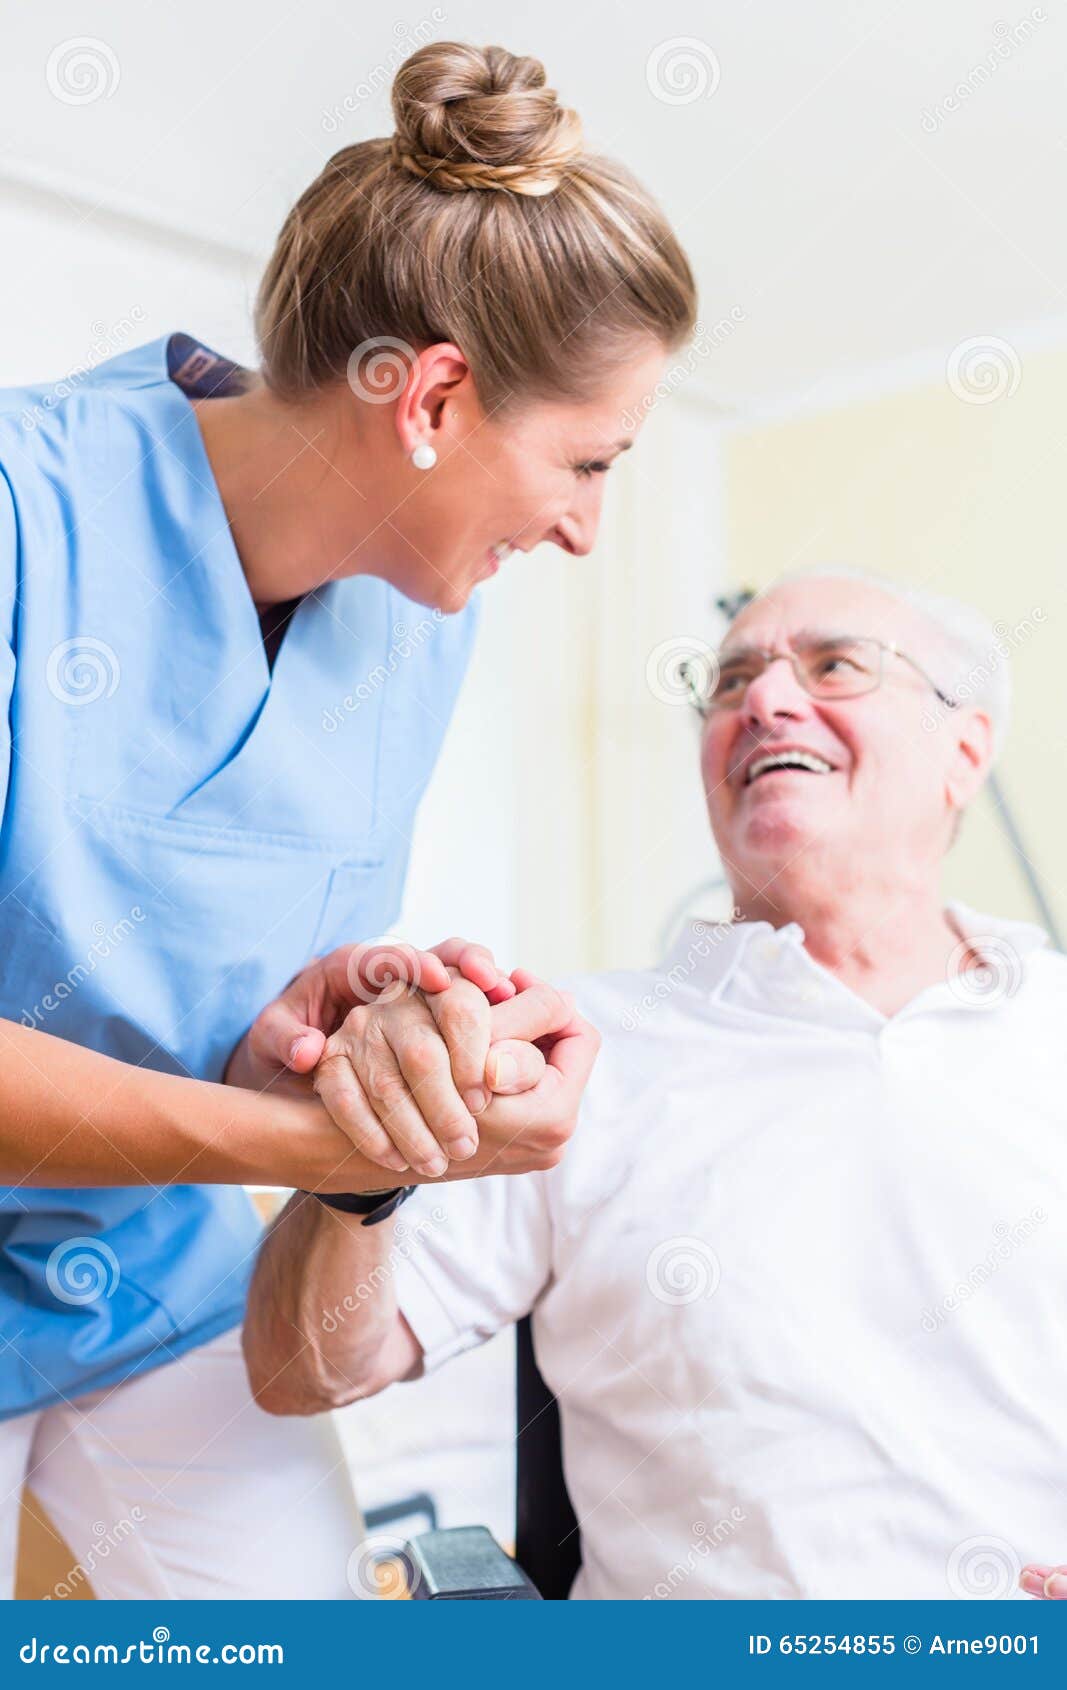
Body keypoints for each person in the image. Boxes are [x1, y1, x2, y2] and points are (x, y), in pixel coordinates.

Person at [0, 39, 695, 1598]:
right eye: (586, 463)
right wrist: (329, 1143)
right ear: (433, 396)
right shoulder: (22, 511)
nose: (585, 529)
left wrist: (354, 1030)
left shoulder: (415, 622)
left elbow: (212, 974)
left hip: (133, 1271)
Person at [245, 568, 1067, 1600]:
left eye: (834, 666)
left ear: (964, 750)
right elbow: (300, 1370)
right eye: (730, 681)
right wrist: (360, 1164)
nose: (763, 700)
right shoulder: (568, 1049)